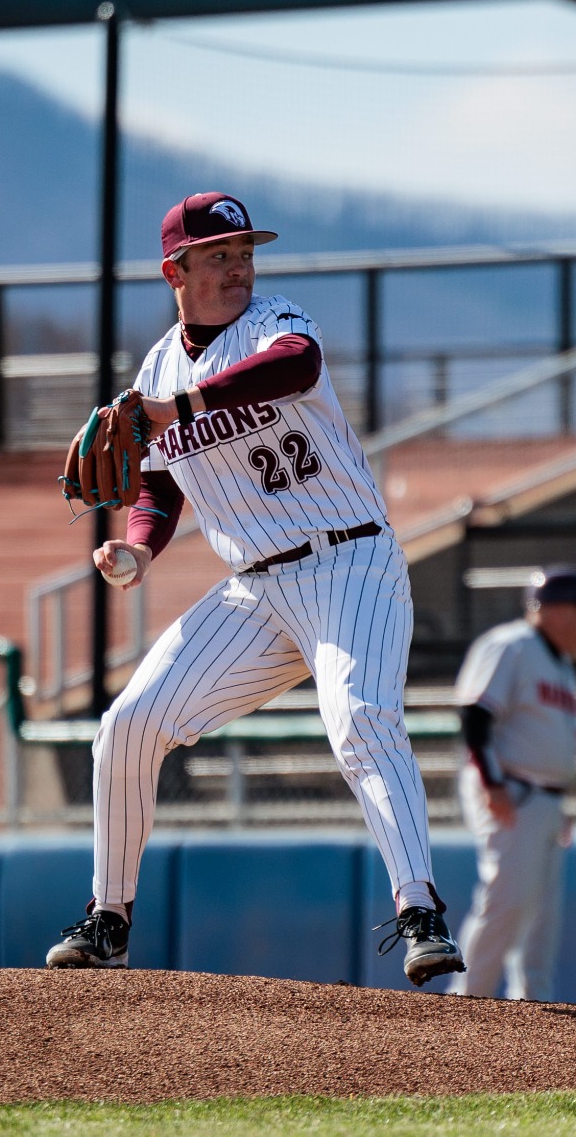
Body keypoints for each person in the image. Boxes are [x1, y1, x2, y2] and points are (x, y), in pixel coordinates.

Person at [45, 191, 464, 986]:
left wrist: (182, 406)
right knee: (127, 725)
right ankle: (108, 917)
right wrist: (137, 550)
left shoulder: (272, 320)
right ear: (176, 270)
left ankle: (420, 908)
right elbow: (157, 487)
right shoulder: (158, 368)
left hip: (352, 564)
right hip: (257, 591)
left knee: (359, 718)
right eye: (218, 256)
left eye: (243, 252)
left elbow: (297, 366)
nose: (238, 267)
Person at [450, 566, 576, 1001]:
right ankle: (467, 998)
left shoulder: (561, 664)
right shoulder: (509, 645)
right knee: (506, 901)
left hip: (546, 798)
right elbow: (475, 715)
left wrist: (558, 803)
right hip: (511, 789)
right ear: (559, 611)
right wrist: (492, 783)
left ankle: (532, 1008)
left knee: (540, 917)